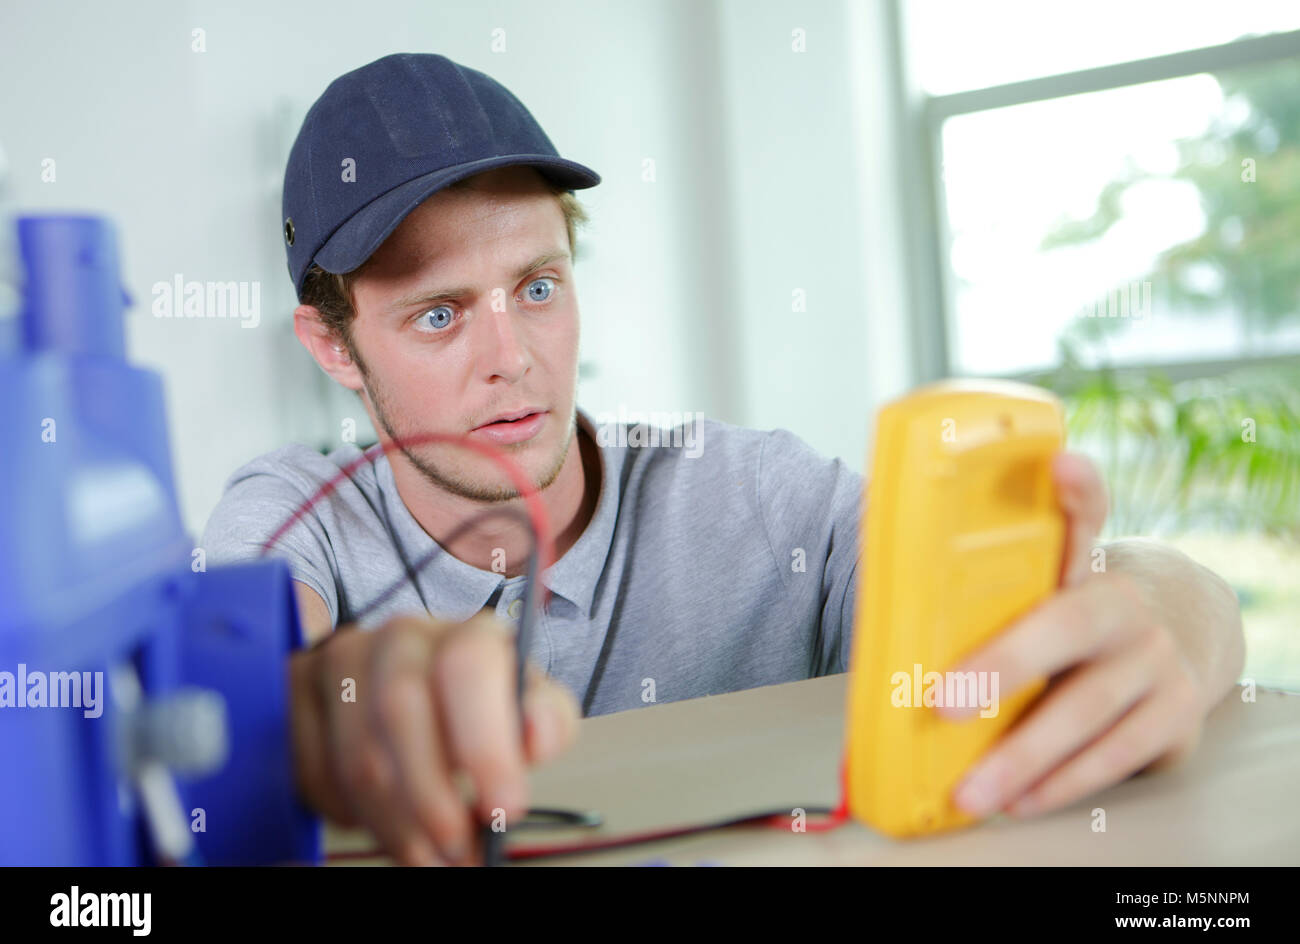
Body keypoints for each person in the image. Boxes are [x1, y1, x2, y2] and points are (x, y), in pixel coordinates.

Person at [202, 53, 1245, 866]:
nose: (510, 359)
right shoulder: (298, 510)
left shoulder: (744, 491)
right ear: (332, 344)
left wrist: (1160, 614)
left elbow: (1123, 591)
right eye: (437, 314)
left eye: (535, 286)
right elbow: (235, 683)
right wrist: (321, 702)